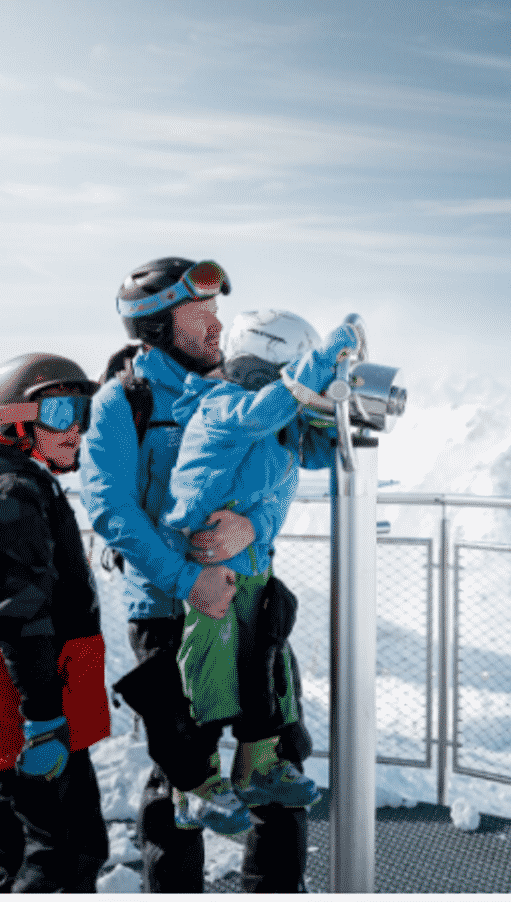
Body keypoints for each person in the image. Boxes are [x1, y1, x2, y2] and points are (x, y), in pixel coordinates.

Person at [79, 257, 353, 893]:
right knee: (181, 767)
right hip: (168, 606)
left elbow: (284, 469)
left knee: (279, 750)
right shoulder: (125, 401)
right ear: (157, 327)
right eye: (198, 317)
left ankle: (273, 887)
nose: (217, 326)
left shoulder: (241, 390)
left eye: (214, 315)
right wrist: (186, 580)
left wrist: (251, 528)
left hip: (249, 595)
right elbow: (111, 513)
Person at [156, 309, 350, 814]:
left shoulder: (279, 424)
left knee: (264, 656)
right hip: (206, 563)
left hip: (249, 561)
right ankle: (194, 784)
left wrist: (340, 413)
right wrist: (324, 361)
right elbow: (262, 413)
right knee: (208, 669)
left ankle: (257, 766)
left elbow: (317, 451)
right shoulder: (222, 404)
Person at [0, 353, 109, 892]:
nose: (76, 429)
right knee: (66, 851)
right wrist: (43, 718)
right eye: (61, 412)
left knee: (14, 844)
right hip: (34, 713)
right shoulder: (12, 496)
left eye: (83, 413)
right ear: (11, 420)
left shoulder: (17, 485)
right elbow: (19, 616)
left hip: (34, 706)